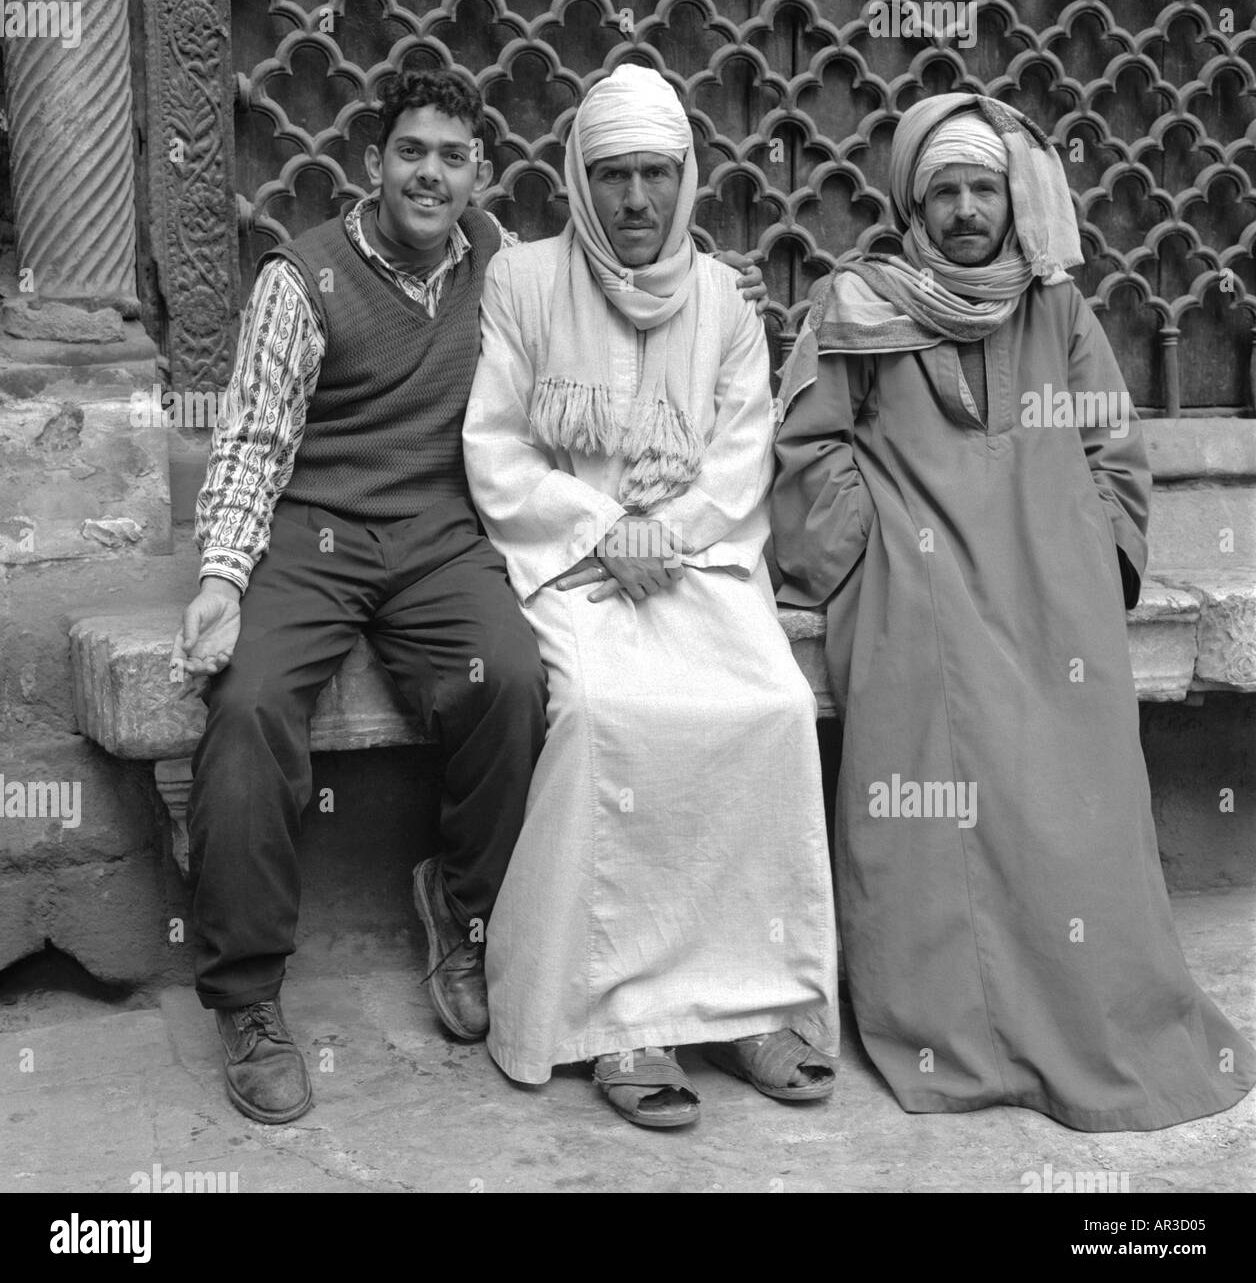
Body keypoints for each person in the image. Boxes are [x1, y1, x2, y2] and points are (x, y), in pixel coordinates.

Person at [173, 68, 768, 1125]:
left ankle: (463, 911)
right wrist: (223, 579)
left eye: (453, 158)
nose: (430, 176)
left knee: (509, 682)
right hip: (313, 538)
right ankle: (245, 992)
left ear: (480, 175)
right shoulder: (301, 280)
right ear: (372, 163)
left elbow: (618, 279)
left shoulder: (500, 263)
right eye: (411, 153)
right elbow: (253, 441)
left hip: (441, 539)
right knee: (252, 703)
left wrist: (716, 282)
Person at [771, 91, 1256, 1131]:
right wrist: (868, 556)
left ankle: (1098, 1005)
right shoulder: (855, 304)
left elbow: (1108, 448)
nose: (961, 210)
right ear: (909, 200)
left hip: (1047, 590)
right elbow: (808, 450)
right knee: (929, 777)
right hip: (922, 585)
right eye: (940, 190)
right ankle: (953, 1026)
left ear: (1007, 196)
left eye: (980, 188)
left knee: (1073, 783)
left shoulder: (1055, 306)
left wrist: (1090, 552)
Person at [463, 63, 838, 1128]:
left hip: (695, 559)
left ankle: (753, 1000)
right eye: (613, 176)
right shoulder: (525, 281)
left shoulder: (721, 295)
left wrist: (664, 534)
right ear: (578, 183)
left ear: (687, 181)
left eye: (655, 176)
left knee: (766, 710)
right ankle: (620, 1017)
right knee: (601, 715)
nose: (635, 201)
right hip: (577, 568)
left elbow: (739, 450)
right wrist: (598, 529)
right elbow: (493, 445)